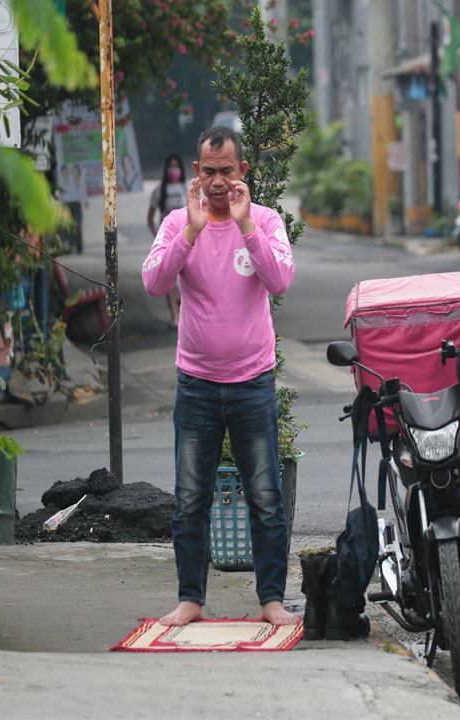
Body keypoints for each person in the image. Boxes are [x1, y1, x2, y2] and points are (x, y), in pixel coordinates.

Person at [142, 125, 297, 627]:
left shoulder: (267, 221)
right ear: (195, 173)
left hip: (253, 383)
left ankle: (271, 599)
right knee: (190, 500)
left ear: (242, 173)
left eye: (226, 172)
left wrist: (248, 226)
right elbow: (153, 283)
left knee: (266, 498)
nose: (216, 182)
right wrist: (190, 231)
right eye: (207, 172)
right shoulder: (177, 223)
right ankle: (191, 599)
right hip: (197, 384)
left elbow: (280, 281)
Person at [147, 154, 188, 329]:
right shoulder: (159, 191)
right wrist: (158, 236)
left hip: (187, 240)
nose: (173, 169)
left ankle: (184, 311)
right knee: (168, 277)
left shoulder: (186, 189)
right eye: (170, 166)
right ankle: (174, 316)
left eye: (176, 165)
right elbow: (150, 218)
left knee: (186, 277)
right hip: (168, 242)